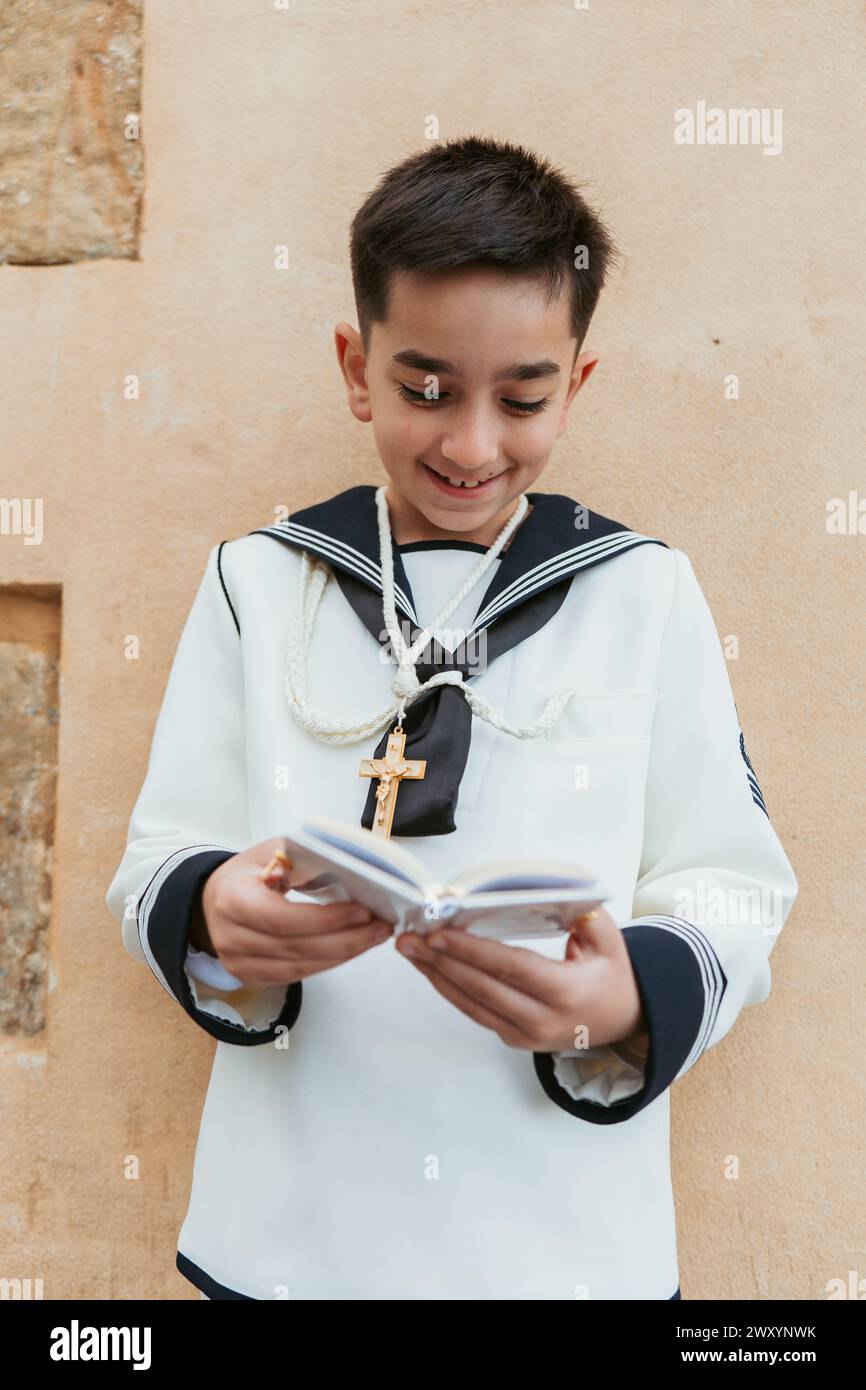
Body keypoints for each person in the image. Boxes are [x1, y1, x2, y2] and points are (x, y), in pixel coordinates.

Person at [105, 136, 797, 1301]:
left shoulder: (642, 592)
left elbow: (731, 885)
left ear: (573, 386)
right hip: (287, 1237)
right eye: (424, 388)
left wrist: (629, 995)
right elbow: (151, 863)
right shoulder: (258, 582)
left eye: (520, 397)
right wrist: (211, 913)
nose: (470, 444)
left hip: (563, 1245)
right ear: (354, 365)